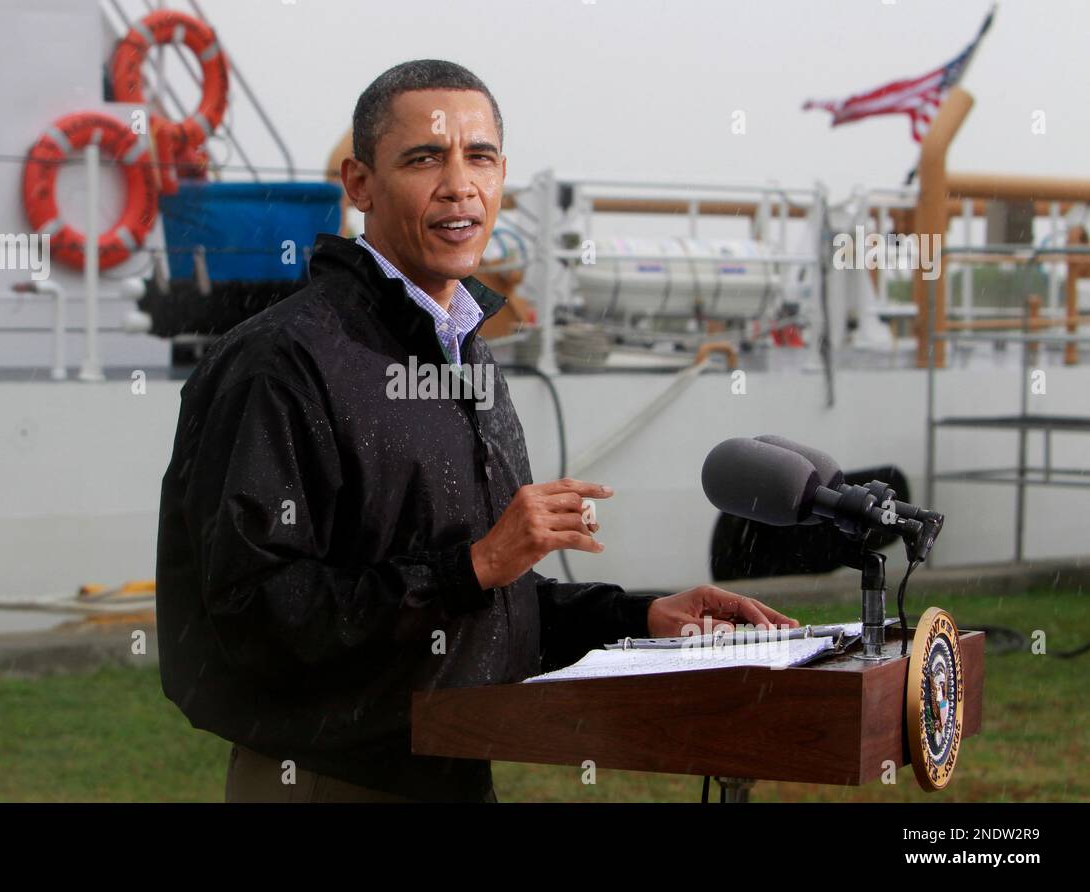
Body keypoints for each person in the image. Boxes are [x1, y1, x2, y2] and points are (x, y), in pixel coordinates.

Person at [155, 58, 798, 803]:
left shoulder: (465, 349)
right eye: (425, 157)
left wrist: (644, 616)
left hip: (456, 769)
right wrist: (475, 565)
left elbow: (488, 604)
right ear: (359, 184)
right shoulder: (281, 363)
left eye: (480, 157)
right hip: (328, 781)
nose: (459, 183)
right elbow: (253, 616)